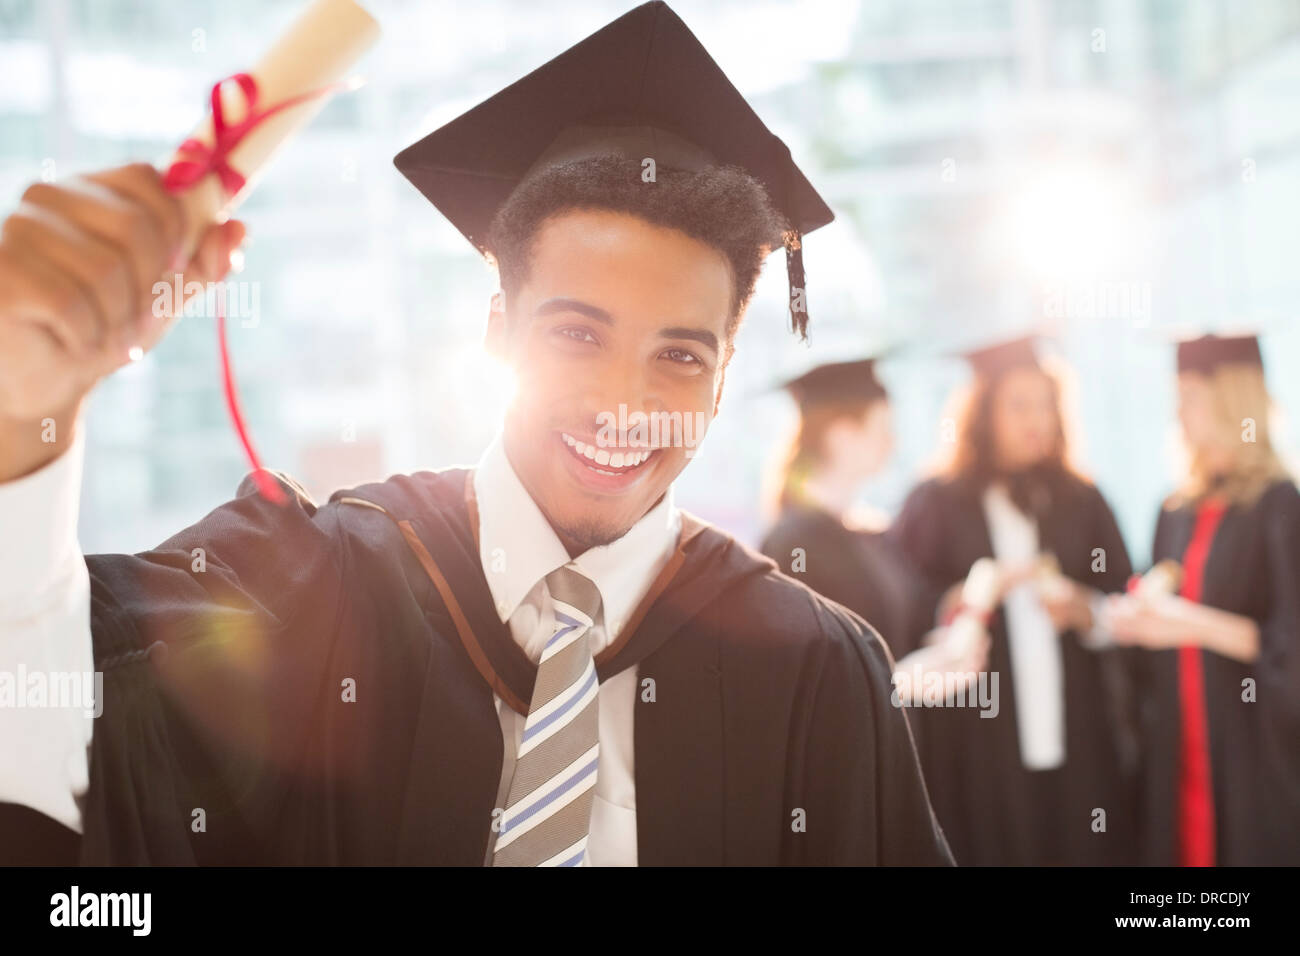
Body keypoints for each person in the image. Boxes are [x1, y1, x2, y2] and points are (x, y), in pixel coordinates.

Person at [0, 2, 952, 866]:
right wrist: (20, 422)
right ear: (496, 330)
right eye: (577, 334)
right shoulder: (314, 580)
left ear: (725, 375)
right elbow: (50, 707)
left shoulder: (815, 669)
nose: (624, 404)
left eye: (680, 357)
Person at [890, 335, 1137, 865]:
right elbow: (902, 604)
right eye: (1019, 405)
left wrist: (1086, 611)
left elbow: (1124, 599)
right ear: (983, 413)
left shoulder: (1083, 499)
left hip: (1077, 730)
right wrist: (959, 600)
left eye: (1046, 404)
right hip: (979, 738)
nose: (1037, 420)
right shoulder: (935, 501)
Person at [1105, 333, 1300, 866]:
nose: (1178, 412)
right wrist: (1133, 619)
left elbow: (1291, 646)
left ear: (1233, 401)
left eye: (1190, 396)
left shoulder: (1281, 506)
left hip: (1250, 750)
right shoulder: (1175, 510)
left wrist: (1188, 623)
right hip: (1180, 743)